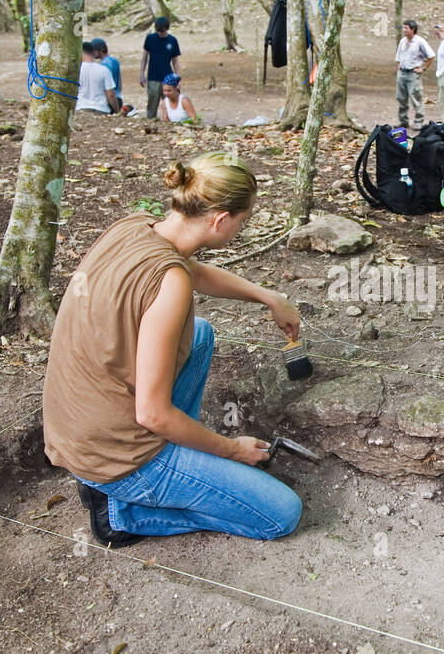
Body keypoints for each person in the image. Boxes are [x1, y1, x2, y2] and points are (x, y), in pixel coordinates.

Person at [43, 152, 304, 548]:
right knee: (281, 513)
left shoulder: (134, 227)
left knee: (198, 333)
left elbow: (193, 270)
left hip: (75, 428)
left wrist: (269, 297)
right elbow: (152, 413)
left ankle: (169, 464)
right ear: (219, 220)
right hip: (115, 456)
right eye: (243, 220)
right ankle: (123, 511)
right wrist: (231, 450)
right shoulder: (171, 281)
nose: (241, 228)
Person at [394, 19, 435, 130]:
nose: (404, 30)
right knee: (401, 98)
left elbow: (431, 56)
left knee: (416, 97)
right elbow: (398, 56)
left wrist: (423, 68)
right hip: (402, 72)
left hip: (413, 74)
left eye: (406, 28)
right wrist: (398, 66)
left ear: (413, 29)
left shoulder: (420, 42)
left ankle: (419, 122)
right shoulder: (402, 41)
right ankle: (403, 121)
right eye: (403, 28)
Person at [140, 16, 182, 119]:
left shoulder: (172, 40)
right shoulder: (150, 39)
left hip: (168, 77)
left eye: (163, 31)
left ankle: (170, 121)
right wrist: (142, 74)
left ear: (167, 29)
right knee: (152, 103)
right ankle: (150, 120)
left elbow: (175, 61)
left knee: (170, 102)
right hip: (153, 77)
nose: (161, 33)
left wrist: (178, 79)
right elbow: (145, 57)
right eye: (159, 31)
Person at [75, 41, 118, 114]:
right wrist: (117, 111)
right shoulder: (104, 70)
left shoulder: (76, 71)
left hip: (81, 107)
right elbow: (111, 94)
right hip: (101, 109)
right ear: (93, 53)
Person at [90, 37, 130, 113]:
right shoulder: (114, 60)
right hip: (118, 96)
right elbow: (119, 81)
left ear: (100, 50)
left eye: (93, 50)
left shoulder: (104, 65)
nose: (92, 53)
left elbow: (108, 86)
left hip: (111, 99)